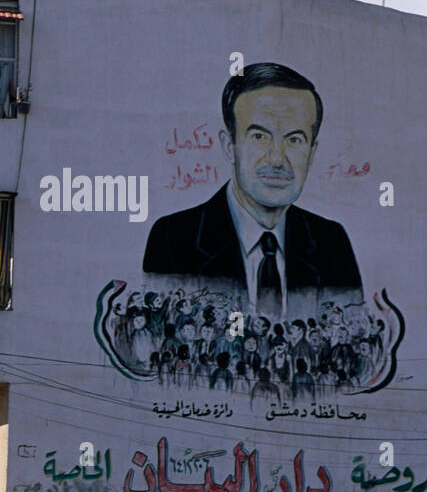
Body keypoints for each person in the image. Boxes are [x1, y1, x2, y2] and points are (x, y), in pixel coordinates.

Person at [142, 62, 364, 318]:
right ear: (229, 146)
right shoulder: (174, 239)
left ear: (312, 153)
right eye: (259, 137)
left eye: (295, 140)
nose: (278, 159)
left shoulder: (331, 242)